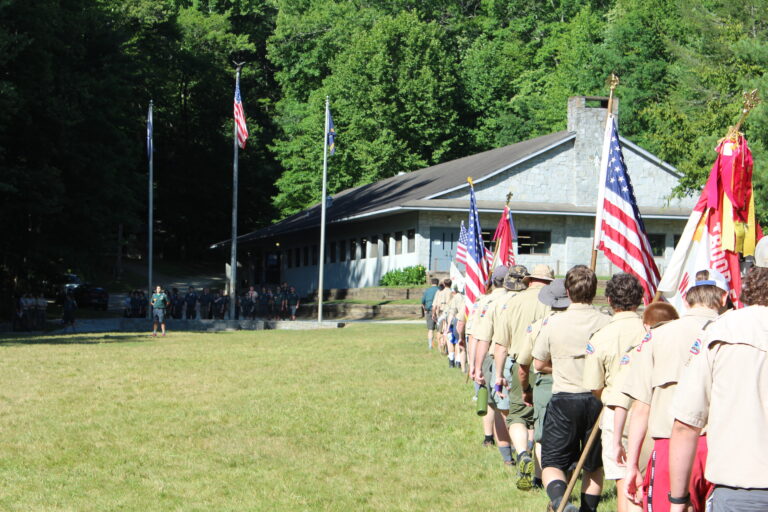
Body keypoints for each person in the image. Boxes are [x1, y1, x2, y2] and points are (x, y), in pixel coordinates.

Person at [668, 241, 768, 512]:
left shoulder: (721, 330)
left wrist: (678, 500)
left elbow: (686, 424)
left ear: (754, 276)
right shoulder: (720, 330)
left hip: (741, 492)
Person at [622, 269, 729, 512]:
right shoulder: (732, 335)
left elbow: (641, 408)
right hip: (721, 449)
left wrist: (631, 466)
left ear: (686, 299)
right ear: (723, 299)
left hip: (670, 449)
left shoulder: (658, 336)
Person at [532, 265, 610, 512]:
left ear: (567, 291)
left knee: (553, 461)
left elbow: (539, 362)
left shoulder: (554, 323)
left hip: (565, 397)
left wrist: (562, 367)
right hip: (598, 399)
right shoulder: (607, 321)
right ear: (594, 291)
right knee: (593, 464)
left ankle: (559, 503)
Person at [605, 301, 680, 508]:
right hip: (677, 431)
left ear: (646, 326)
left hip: (646, 433)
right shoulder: (686, 351)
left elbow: (621, 400)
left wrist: (617, 440)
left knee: (638, 491)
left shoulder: (640, 351)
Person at [582, 273, 647, 512]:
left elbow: (594, 384)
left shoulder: (601, 336)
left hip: (615, 415)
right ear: (639, 299)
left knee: (624, 482)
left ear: (609, 300)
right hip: (650, 411)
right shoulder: (651, 331)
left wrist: (609, 400)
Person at [491, 264, 553, 490]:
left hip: (520, 366)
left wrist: (498, 374)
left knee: (517, 415)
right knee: (542, 422)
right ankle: (538, 475)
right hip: (549, 367)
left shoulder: (512, 302)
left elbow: (501, 344)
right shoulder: (553, 303)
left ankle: (521, 452)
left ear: (529, 281)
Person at [516, 278, 571, 490]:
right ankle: (566, 472)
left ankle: (541, 478)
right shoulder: (579, 323)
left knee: (541, 433)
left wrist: (526, 389)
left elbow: (525, 363)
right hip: (577, 383)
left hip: (547, 383)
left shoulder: (540, 326)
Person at [472, 265, 517, 466]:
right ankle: (521, 446)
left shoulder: (487, 302)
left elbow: (480, 336)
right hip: (517, 356)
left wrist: (476, 365)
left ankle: (501, 447)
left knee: (496, 405)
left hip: (492, 355)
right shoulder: (516, 300)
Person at [421, 278, 439, 350]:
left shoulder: (427, 291)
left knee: (430, 329)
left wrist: (425, 309)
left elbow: (422, 302)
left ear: (431, 283)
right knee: (439, 330)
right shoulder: (440, 290)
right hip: (438, 311)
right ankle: (439, 346)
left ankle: (430, 345)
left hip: (429, 310)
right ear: (437, 283)